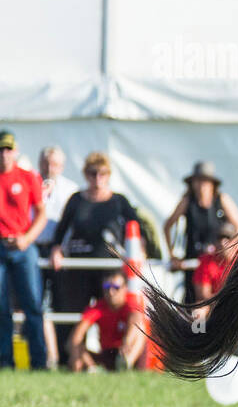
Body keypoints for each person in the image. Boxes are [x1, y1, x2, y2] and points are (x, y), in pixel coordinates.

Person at [49, 152, 141, 365]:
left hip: (108, 272)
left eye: (102, 173)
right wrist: (56, 249)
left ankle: (116, 360)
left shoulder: (119, 201)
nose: (97, 178)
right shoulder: (76, 200)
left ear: (108, 174)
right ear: (86, 175)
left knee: (113, 313)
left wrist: (139, 249)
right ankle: (73, 361)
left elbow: (137, 228)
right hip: (78, 269)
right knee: (76, 316)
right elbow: (61, 231)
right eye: (92, 173)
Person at [0, 131, 49, 371]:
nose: (4, 154)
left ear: (15, 151)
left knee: (32, 304)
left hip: (23, 244)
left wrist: (27, 239)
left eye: (8, 149)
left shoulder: (29, 177)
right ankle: (5, 361)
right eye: (1, 149)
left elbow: (42, 213)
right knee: (1, 307)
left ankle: (39, 361)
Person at [163, 161, 238, 305]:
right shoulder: (187, 201)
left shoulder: (222, 199)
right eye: (198, 181)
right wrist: (172, 254)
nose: (201, 185)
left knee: (221, 304)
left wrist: (231, 248)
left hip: (216, 263)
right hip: (195, 262)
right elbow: (168, 225)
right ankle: (196, 328)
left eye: (205, 181)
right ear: (192, 183)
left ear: (212, 184)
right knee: (196, 307)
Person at [36, 146, 79, 367]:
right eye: (45, 162)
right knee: (36, 303)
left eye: (53, 163)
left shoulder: (72, 190)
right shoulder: (30, 184)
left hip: (62, 253)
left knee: (63, 303)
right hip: (34, 250)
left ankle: (64, 356)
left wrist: (60, 248)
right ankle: (43, 356)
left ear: (61, 166)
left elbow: (72, 225)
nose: (49, 167)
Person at [67, 270, 146, 372]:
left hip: (127, 350)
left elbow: (135, 319)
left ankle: (127, 364)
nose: (111, 292)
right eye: (107, 288)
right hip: (107, 353)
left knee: (140, 329)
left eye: (116, 288)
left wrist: (126, 342)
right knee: (75, 344)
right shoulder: (98, 307)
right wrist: (76, 359)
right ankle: (93, 369)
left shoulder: (131, 303)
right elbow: (77, 335)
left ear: (125, 288)